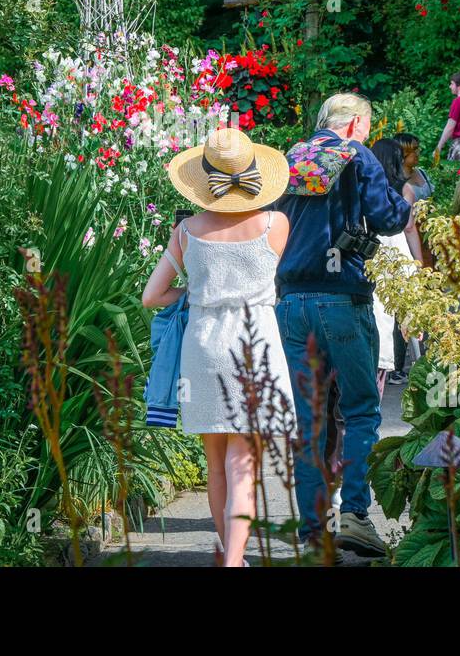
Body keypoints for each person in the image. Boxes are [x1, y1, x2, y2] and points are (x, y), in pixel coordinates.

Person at [142, 127, 293, 567]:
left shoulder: (187, 231)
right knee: (244, 462)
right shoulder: (275, 224)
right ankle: (234, 562)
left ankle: (230, 554)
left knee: (215, 460)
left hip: (203, 349)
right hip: (254, 345)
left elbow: (152, 296)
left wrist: (195, 294)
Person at [274, 93, 411, 557]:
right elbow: (389, 219)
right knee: (360, 410)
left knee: (308, 420)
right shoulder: (358, 155)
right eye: (368, 128)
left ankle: (312, 530)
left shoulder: (292, 156)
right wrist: (406, 199)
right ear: (354, 124)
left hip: (291, 301)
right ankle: (354, 515)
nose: (368, 136)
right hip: (342, 299)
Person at [371, 134, 432, 386]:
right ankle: (419, 368)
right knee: (409, 311)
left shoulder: (371, 189)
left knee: (384, 311)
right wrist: (418, 262)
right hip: (402, 249)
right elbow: (408, 227)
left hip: (378, 252)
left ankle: (392, 366)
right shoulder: (402, 188)